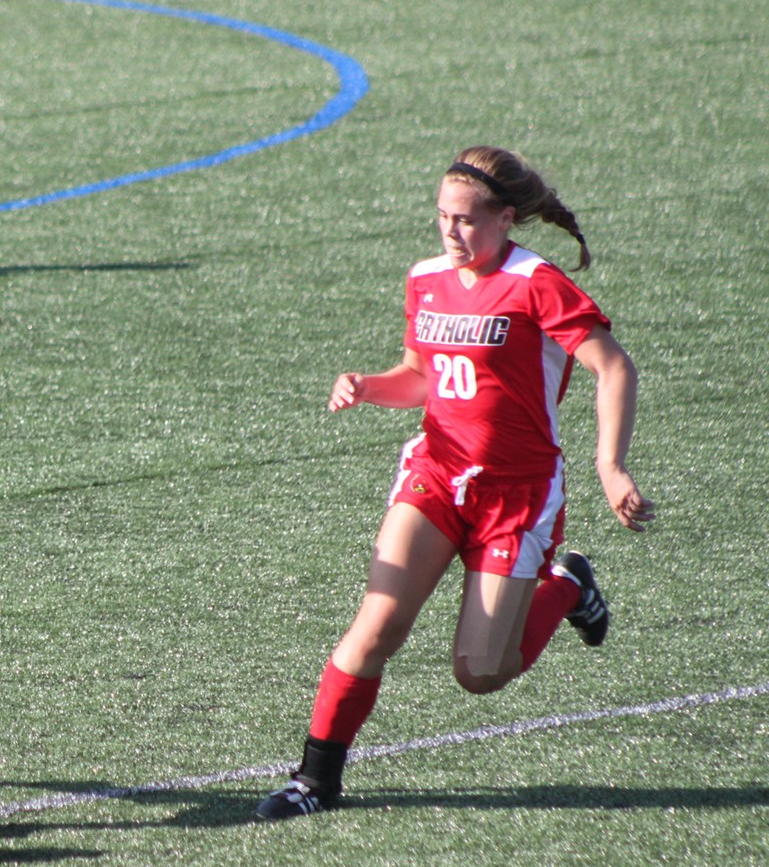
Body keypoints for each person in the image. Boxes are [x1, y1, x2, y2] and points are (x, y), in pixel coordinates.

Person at [255, 146, 655, 821]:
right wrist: (367, 387)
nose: (451, 231)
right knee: (375, 624)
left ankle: (568, 585)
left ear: (505, 219)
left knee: (480, 672)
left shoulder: (536, 282)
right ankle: (314, 778)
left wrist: (609, 464)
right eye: (443, 217)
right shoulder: (426, 278)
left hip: (516, 494)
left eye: (467, 220)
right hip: (437, 474)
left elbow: (614, 368)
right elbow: (421, 376)